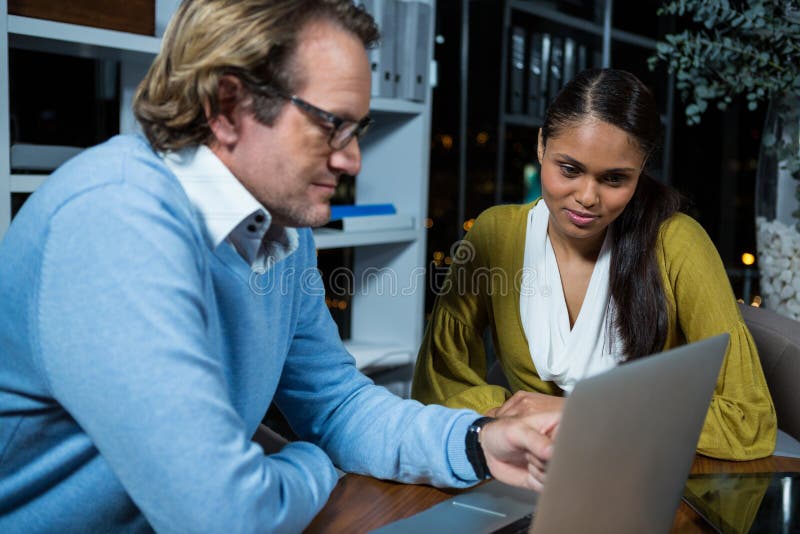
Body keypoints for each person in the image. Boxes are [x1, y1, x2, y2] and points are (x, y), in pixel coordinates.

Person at [0, 1, 561, 532]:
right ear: (227, 108)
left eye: (357, 130)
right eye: (330, 124)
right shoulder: (115, 219)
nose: (351, 159)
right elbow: (226, 518)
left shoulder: (280, 231)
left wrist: (480, 441)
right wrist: (314, 461)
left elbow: (337, 403)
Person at [411, 68, 777, 461]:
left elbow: (747, 422)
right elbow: (439, 387)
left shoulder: (677, 244)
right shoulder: (494, 235)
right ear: (541, 146)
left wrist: (577, 414)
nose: (587, 197)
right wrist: (508, 410)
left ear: (641, 171)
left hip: (644, 475)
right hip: (527, 470)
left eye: (614, 179)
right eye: (569, 169)